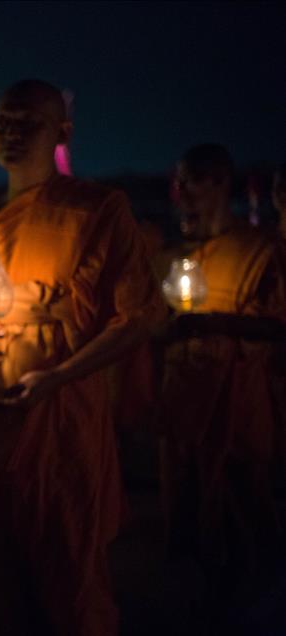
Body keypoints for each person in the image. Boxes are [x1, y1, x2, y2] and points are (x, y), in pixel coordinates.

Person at [0, 79, 165, 635]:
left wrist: (59, 376)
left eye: (26, 124)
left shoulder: (97, 210)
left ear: (62, 133)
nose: (10, 135)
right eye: (2, 124)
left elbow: (142, 316)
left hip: (64, 420)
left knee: (70, 574)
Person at [157, 144, 286, 626]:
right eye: (179, 180)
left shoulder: (259, 249)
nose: (182, 192)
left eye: (193, 180)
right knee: (191, 522)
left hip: (237, 401)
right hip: (182, 400)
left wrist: (215, 324)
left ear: (221, 185)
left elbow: (279, 326)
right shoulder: (174, 256)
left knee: (246, 512)